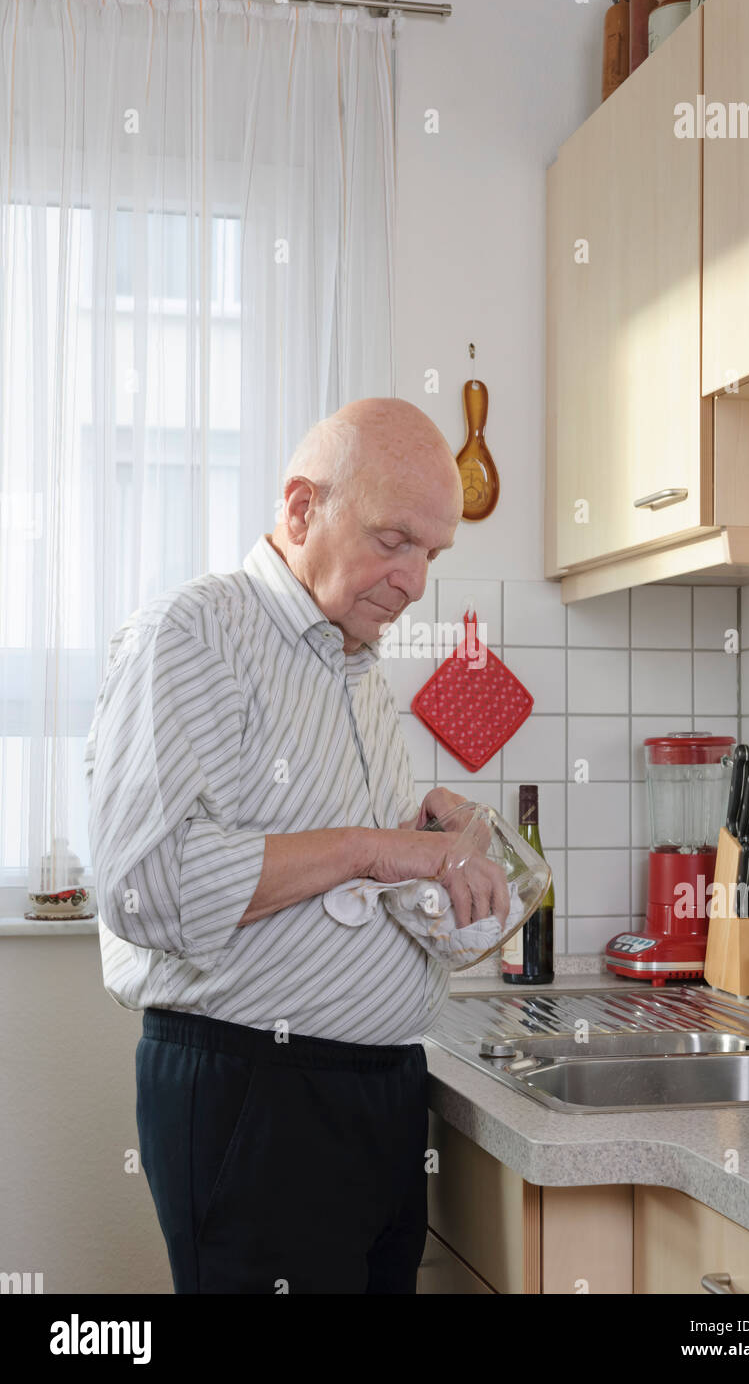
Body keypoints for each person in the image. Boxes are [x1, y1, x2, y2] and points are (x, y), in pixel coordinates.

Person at [84, 397, 509, 1294]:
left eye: (432, 554)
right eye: (394, 539)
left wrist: (450, 860)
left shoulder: (354, 666)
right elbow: (143, 886)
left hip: (378, 1099)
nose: (415, 580)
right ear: (300, 508)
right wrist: (369, 847)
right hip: (257, 1099)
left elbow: (379, 890)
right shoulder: (197, 634)